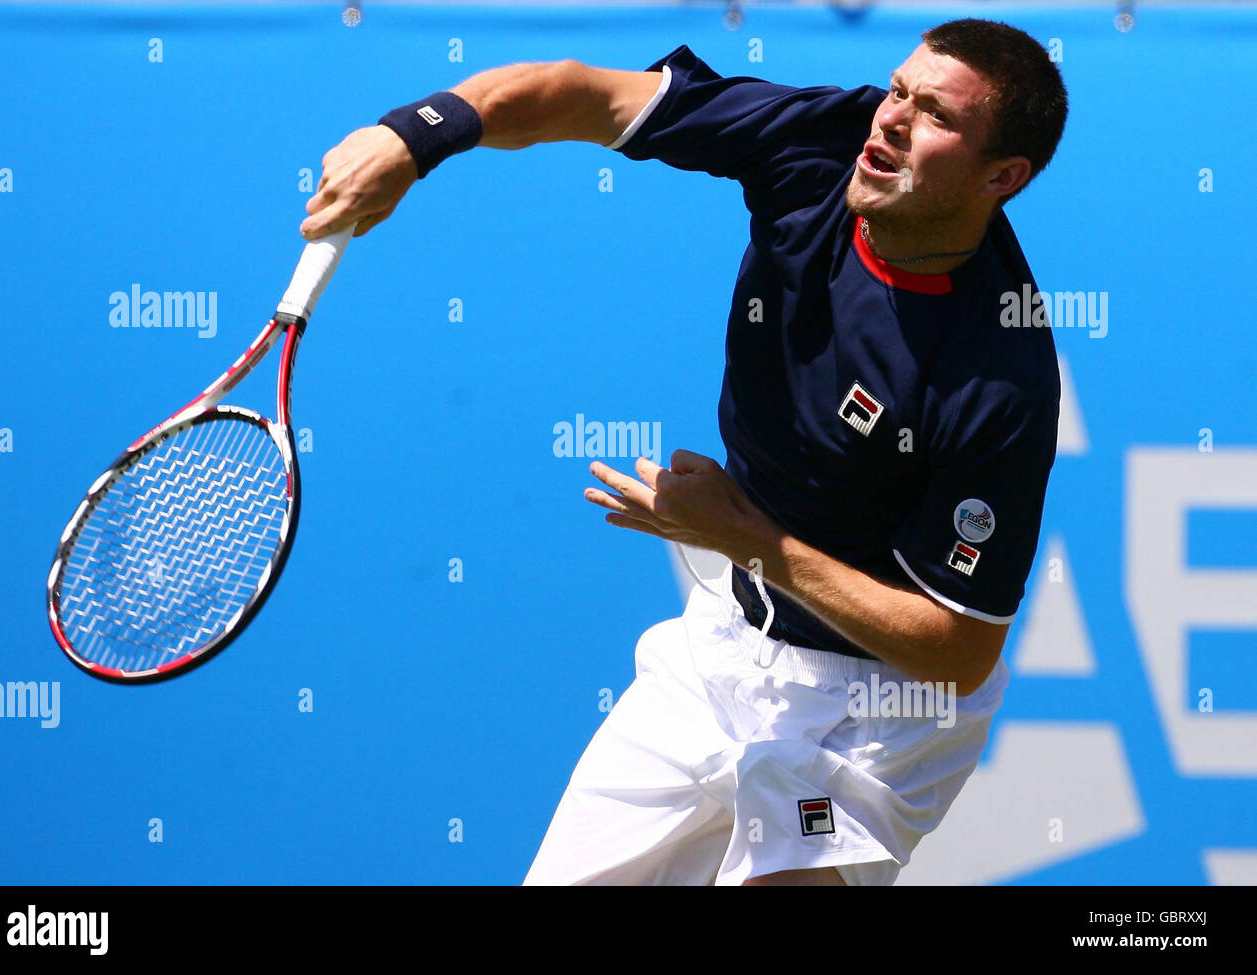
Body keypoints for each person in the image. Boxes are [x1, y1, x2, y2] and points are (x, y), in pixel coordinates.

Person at [301, 17, 1068, 886]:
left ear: (1003, 176)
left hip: (882, 711)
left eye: (933, 116)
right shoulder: (817, 138)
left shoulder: (999, 376)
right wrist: (412, 136)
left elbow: (959, 649)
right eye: (898, 90)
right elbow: (581, 92)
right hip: (722, 646)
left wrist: (747, 538)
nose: (891, 119)